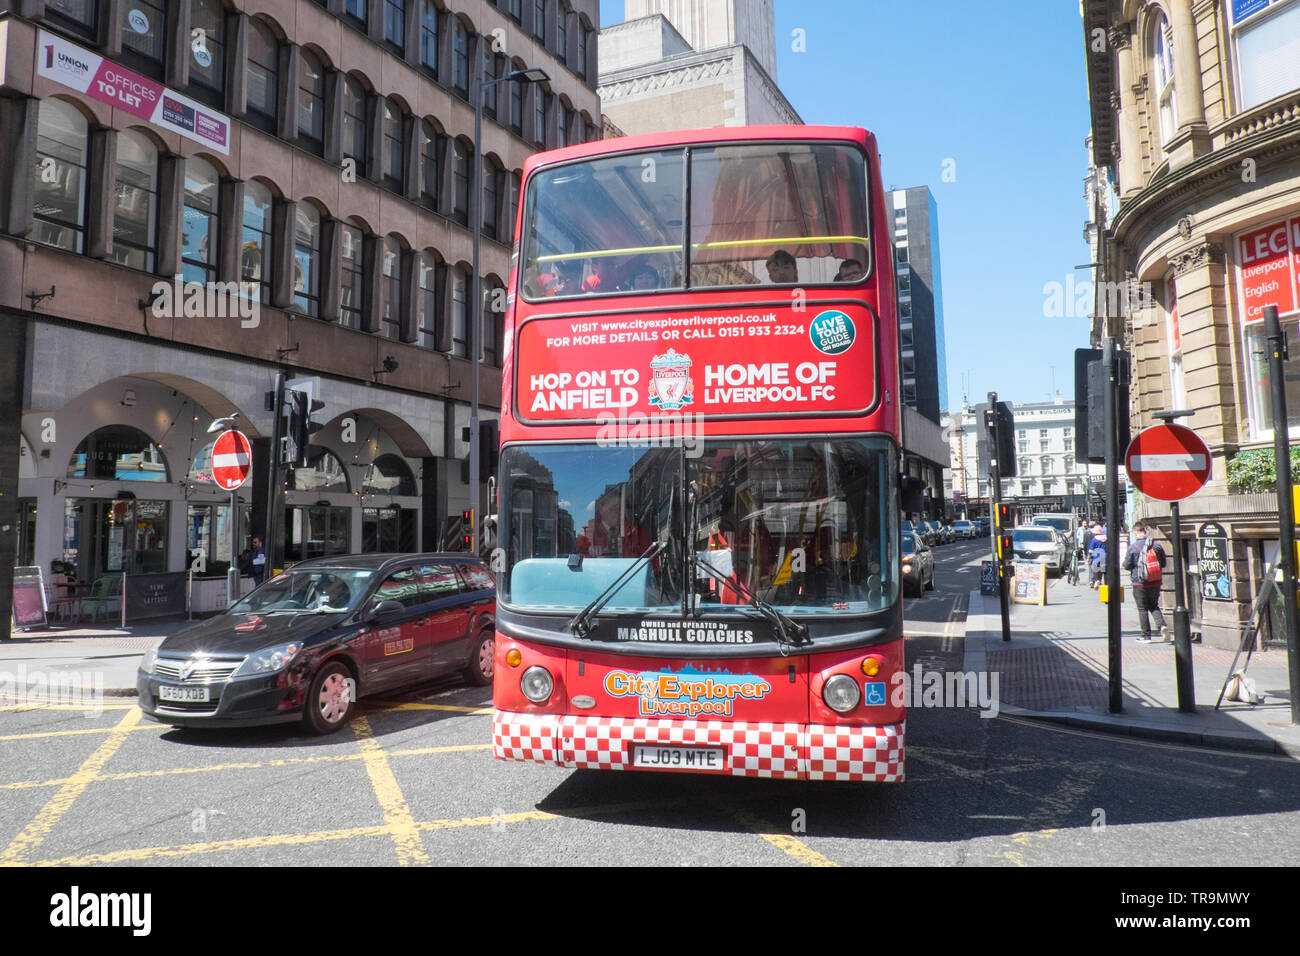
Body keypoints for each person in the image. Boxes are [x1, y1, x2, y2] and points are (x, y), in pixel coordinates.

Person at [1122, 521, 1168, 643]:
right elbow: (1163, 563)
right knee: (1154, 606)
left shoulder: (1133, 547)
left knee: (1142, 609)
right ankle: (1162, 626)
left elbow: (1127, 565)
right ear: (1145, 531)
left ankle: (1146, 635)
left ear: (1136, 532)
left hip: (1139, 583)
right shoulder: (1156, 545)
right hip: (1155, 581)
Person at [1087, 524, 1107, 588]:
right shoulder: (1106, 539)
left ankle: (1097, 580)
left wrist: (1088, 558)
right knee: (1104, 571)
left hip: (1096, 558)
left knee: (1096, 571)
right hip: (1105, 557)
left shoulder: (1094, 540)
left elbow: (1091, 551)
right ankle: (1103, 582)